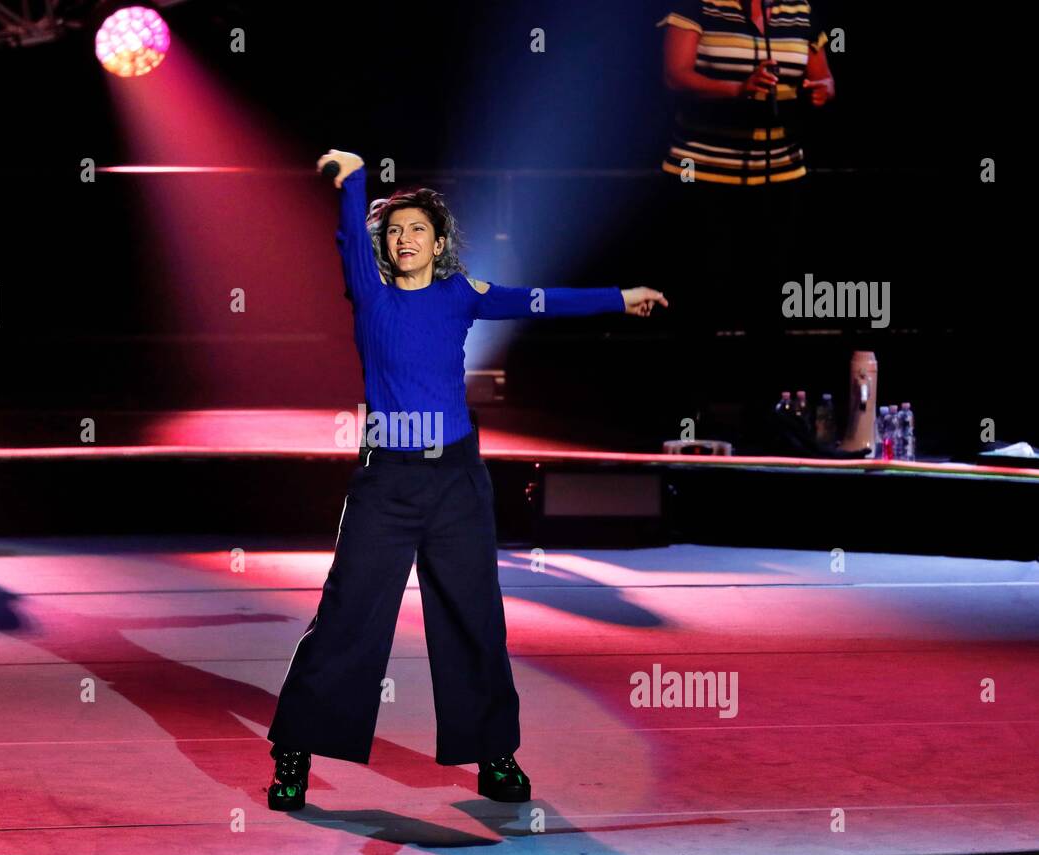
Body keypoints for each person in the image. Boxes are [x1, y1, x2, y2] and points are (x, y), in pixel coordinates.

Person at [265, 148, 667, 811]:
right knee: (345, 619)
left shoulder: (462, 293)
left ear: (440, 241)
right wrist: (356, 177)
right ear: (382, 245)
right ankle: (295, 752)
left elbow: (537, 301)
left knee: (475, 619)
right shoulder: (370, 293)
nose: (405, 239)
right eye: (394, 231)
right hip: (386, 483)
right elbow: (347, 236)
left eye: (418, 229)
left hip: (455, 482)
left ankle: (495, 756)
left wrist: (619, 298)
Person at [656, 0, 834, 332]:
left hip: (780, 173)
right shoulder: (701, 5)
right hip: (703, 172)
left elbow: (824, 78)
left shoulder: (799, 9)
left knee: (770, 298)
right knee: (701, 296)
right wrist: (738, 90)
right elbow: (675, 75)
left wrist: (822, 91)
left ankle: (765, 378)